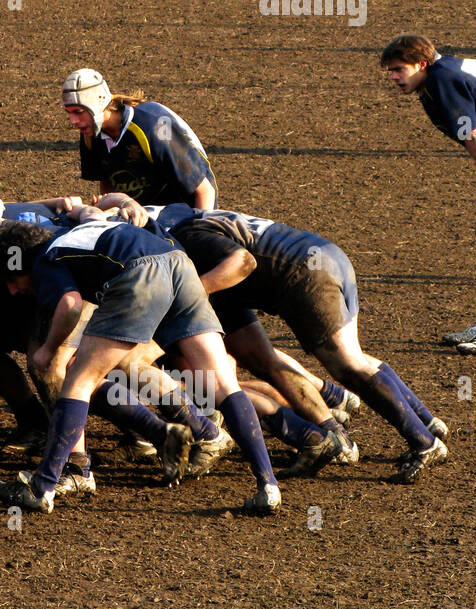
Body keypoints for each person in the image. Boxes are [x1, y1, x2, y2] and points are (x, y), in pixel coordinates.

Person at [0, 216, 282, 516]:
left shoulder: (47, 256)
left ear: (22, 258)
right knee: (222, 384)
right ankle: (268, 487)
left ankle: (43, 487)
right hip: (180, 264)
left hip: (140, 273)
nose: (12, 290)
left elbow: (71, 304)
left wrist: (47, 350)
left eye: (11, 279)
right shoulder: (81, 230)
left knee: (78, 379)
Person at [152, 203, 448, 483]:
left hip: (302, 272)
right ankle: (420, 422)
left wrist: (192, 294)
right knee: (268, 359)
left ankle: (424, 442)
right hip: (319, 256)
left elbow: (243, 261)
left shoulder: (182, 234)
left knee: (347, 365)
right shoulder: (188, 219)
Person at [381, 34, 476, 354]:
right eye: (391, 71)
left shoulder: (443, 81)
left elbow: (473, 134)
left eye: (399, 69)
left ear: (422, 63)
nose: (394, 77)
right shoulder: (445, 72)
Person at [61, 68, 216, 208]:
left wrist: (199, 230)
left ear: (98, 104)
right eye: (69, 113)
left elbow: (205, 191)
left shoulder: (155, 126)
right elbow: (108, 182)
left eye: (78, 111)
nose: (72, 121)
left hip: (183, 214)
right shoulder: (91, 134)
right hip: (140, 215)